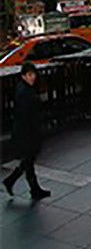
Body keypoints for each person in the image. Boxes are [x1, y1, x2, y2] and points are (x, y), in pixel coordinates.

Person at [4, 64, 50, 199]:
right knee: (29, 159)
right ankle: (21, 184)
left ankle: (25, 186)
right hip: (27, 131)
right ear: (24, 76)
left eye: (33, 74)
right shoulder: (25, 92)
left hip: (25, 130)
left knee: (28, 160)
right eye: (30, 75)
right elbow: (27, 113)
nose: (33, 77)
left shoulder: (23, 89)